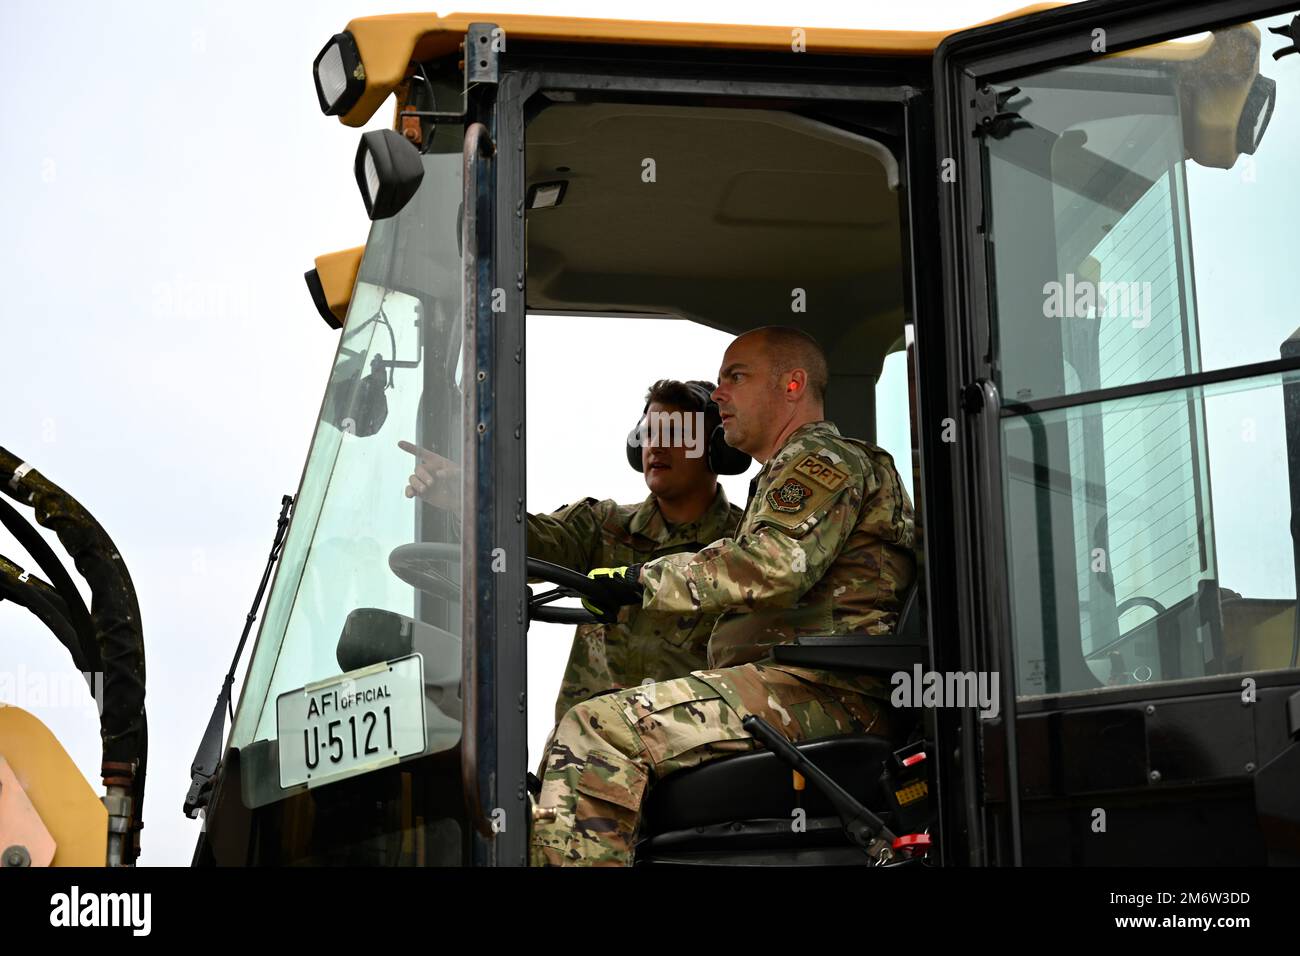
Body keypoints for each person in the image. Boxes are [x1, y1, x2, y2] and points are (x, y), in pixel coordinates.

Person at [530, 326, 916, 866]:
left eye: (736, 377)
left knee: (598, 731)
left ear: (792, 385)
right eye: (718, 381)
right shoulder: (784, 474)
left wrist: (640, 581)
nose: (720, 396)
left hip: (824, 690)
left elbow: (774, 564)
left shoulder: (821, 460)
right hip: (793, 685)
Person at [401, 379, 746, 722]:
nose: (655, 447)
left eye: (676, 434)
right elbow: (529, 547)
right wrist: (471, 502)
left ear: (717, 448)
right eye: (649, 434)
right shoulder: (603, 525)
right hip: (588, 755)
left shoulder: (748, 546)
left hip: (696, 754)